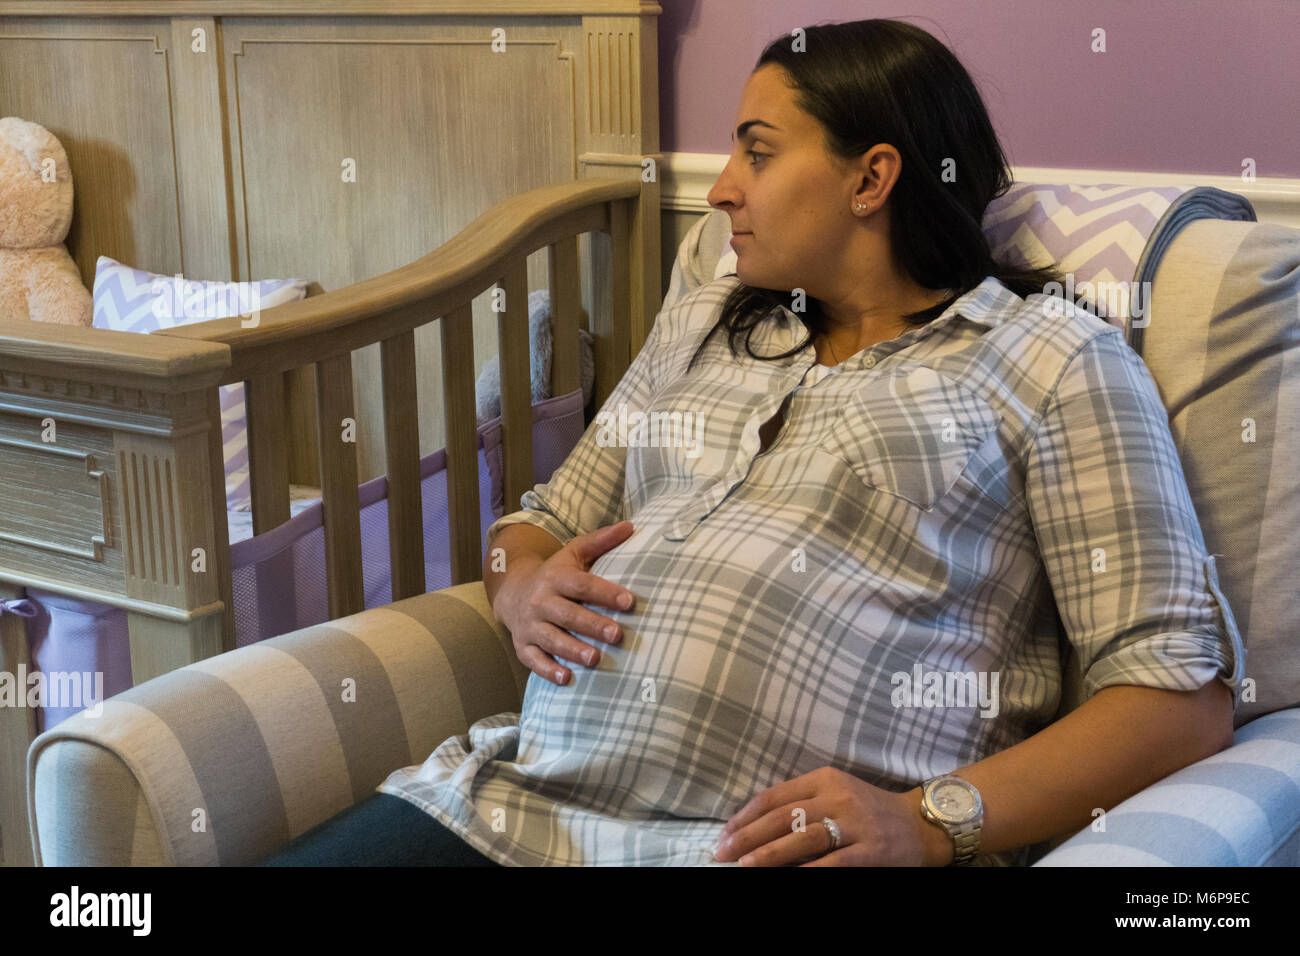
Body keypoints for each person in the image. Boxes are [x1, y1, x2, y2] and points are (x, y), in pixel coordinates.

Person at [255, 18, 1242, 868]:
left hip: (759, 848)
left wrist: (930, 822)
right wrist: (516, 581)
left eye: (757, 151)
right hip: (507, 807)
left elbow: (1176, 696)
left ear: (872, 177)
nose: (721, 189)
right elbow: (541, 520)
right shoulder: (704, 325)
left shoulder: (1055, 360)